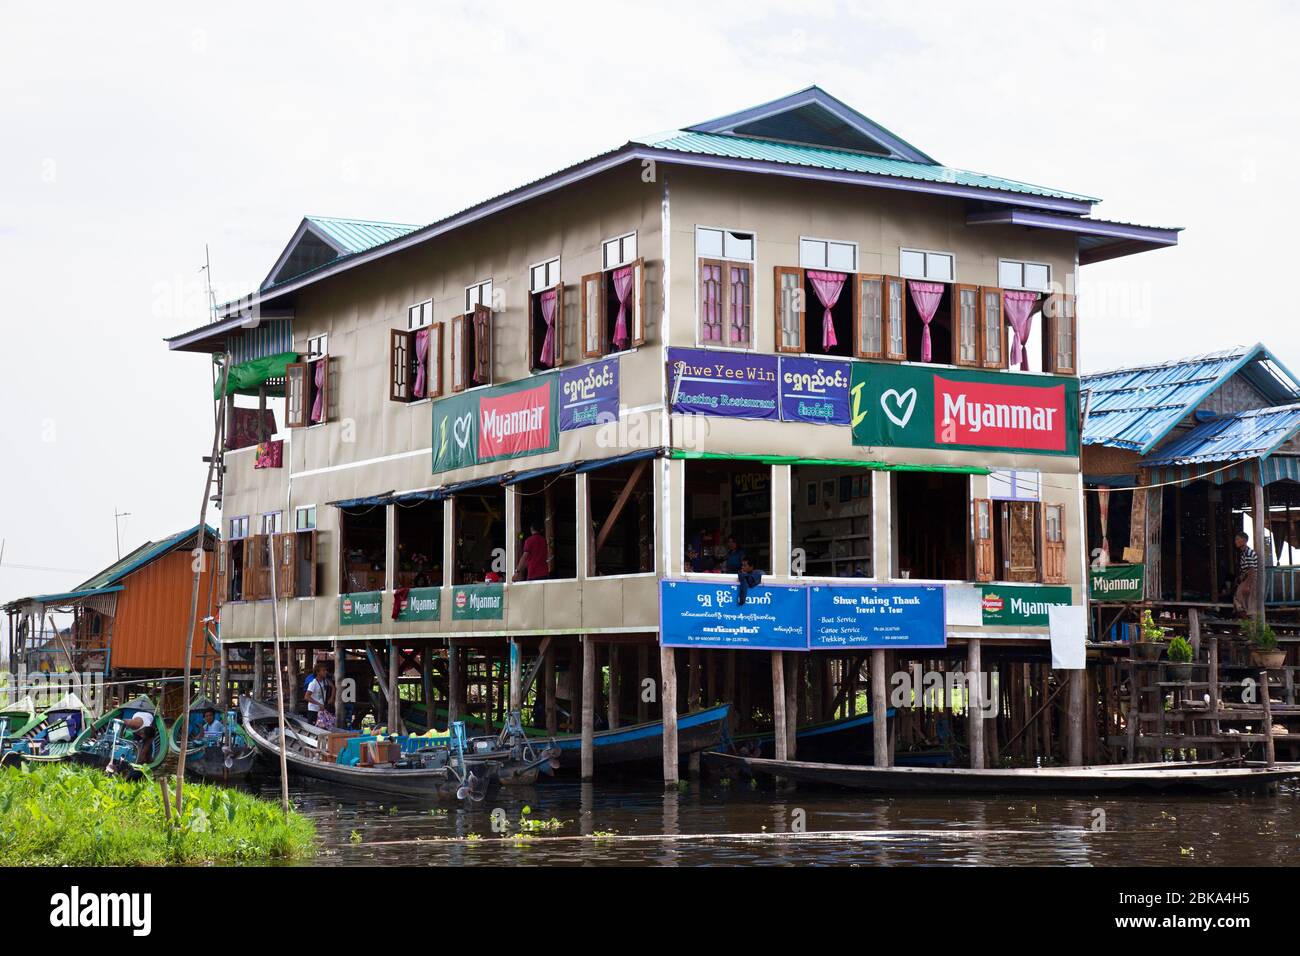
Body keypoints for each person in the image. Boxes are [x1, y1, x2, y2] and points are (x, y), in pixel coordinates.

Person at [1233, 531, 1259, 617]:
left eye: (1237, 539)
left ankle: (1249, 622)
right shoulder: (1245, 552)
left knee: (1242, 602)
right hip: (1248, 578)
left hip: (1250, 578)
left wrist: (1247, 585)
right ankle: (1247, 621)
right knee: (1241, 600)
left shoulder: (1248, 553)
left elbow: (1251, 570)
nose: (1235, 541)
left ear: (1244, 540)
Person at [305, 663, 335, 730]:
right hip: (313, 710)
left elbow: (333, 687)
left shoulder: (325, 681)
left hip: (321, 710)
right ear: (318, 672)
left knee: (322, 729)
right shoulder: (313, 683)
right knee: (313, 729)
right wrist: (319, 704)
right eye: (323, 670)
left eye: (325, 670)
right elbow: (306, 697)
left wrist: (332, 698)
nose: (325, 672)